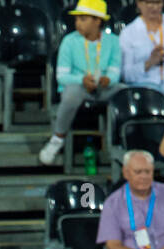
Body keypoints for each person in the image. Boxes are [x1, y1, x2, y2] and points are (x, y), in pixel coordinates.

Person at [40, 0, 122, 166]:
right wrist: (81, 80)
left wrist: (108, 80)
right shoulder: (69, 41)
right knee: (71, 93)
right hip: (78, 87)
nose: (77, 23)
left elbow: (115, 70)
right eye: (77, 19)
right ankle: (57, 139)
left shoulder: (113, 41)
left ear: (97, 21)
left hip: (103, 88)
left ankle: (121, 144)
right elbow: (62, 76)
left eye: (83, 19)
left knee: (125, 91)